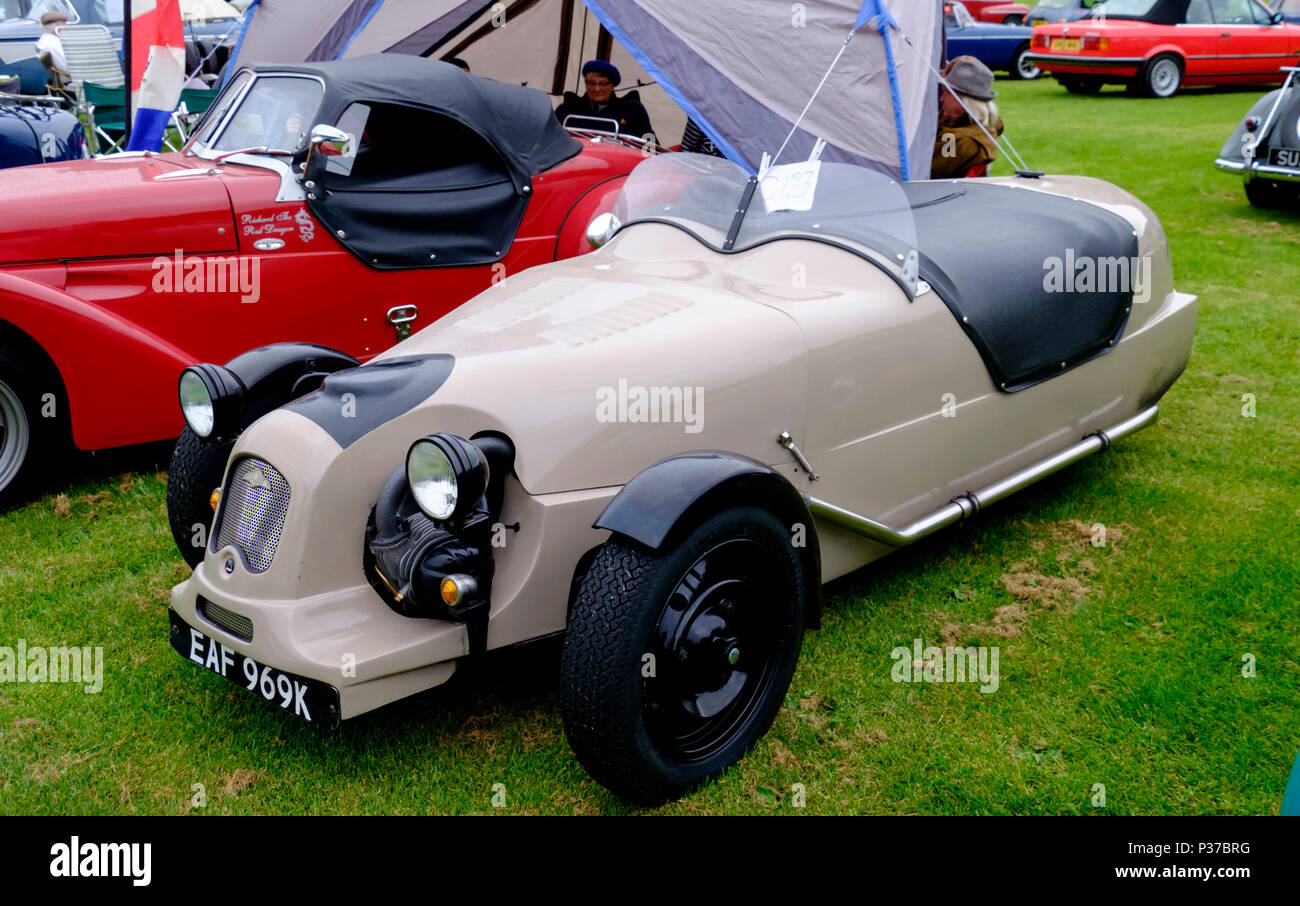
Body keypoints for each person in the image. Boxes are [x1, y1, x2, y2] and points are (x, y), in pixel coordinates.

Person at [930, 55, 1003, 180]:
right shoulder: (984, 127)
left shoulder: (959, 142)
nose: (941, 99)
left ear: (963, 102)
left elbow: (927, 171)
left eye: (947, 93)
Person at [554, 59, 654, 141]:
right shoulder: (566, 110)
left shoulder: (633, 110)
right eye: (592, 83)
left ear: (612, 86)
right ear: (586, 84)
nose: (597, 89)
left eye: (603, 83)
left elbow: (650, 147)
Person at [35, 10, 69, 75]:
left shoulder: (45, 40)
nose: (66, 27)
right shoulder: (53, 43)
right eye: (64, 25)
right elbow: (66, 67)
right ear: (56, 27)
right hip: (67, 78)